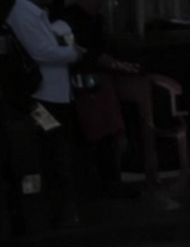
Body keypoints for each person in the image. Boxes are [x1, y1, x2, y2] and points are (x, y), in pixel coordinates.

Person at [5, 0, 85, 225]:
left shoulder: (40, 14)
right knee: (52, 151)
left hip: (57, 94)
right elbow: (40, 51)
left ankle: (60, 208)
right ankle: (54, 210)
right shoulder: (24, 13)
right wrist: (72, 54)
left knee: (59, 149)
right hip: (42, 97)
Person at [57, 0, 137, 195]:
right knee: (100, 130)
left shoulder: (95, 19)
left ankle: (107, 179)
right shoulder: (71, 20)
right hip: (84, 82)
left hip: (94, 80)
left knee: (106, 131)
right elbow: (87, 52)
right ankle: (104, 181)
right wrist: (112, 64)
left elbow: (97, 50)